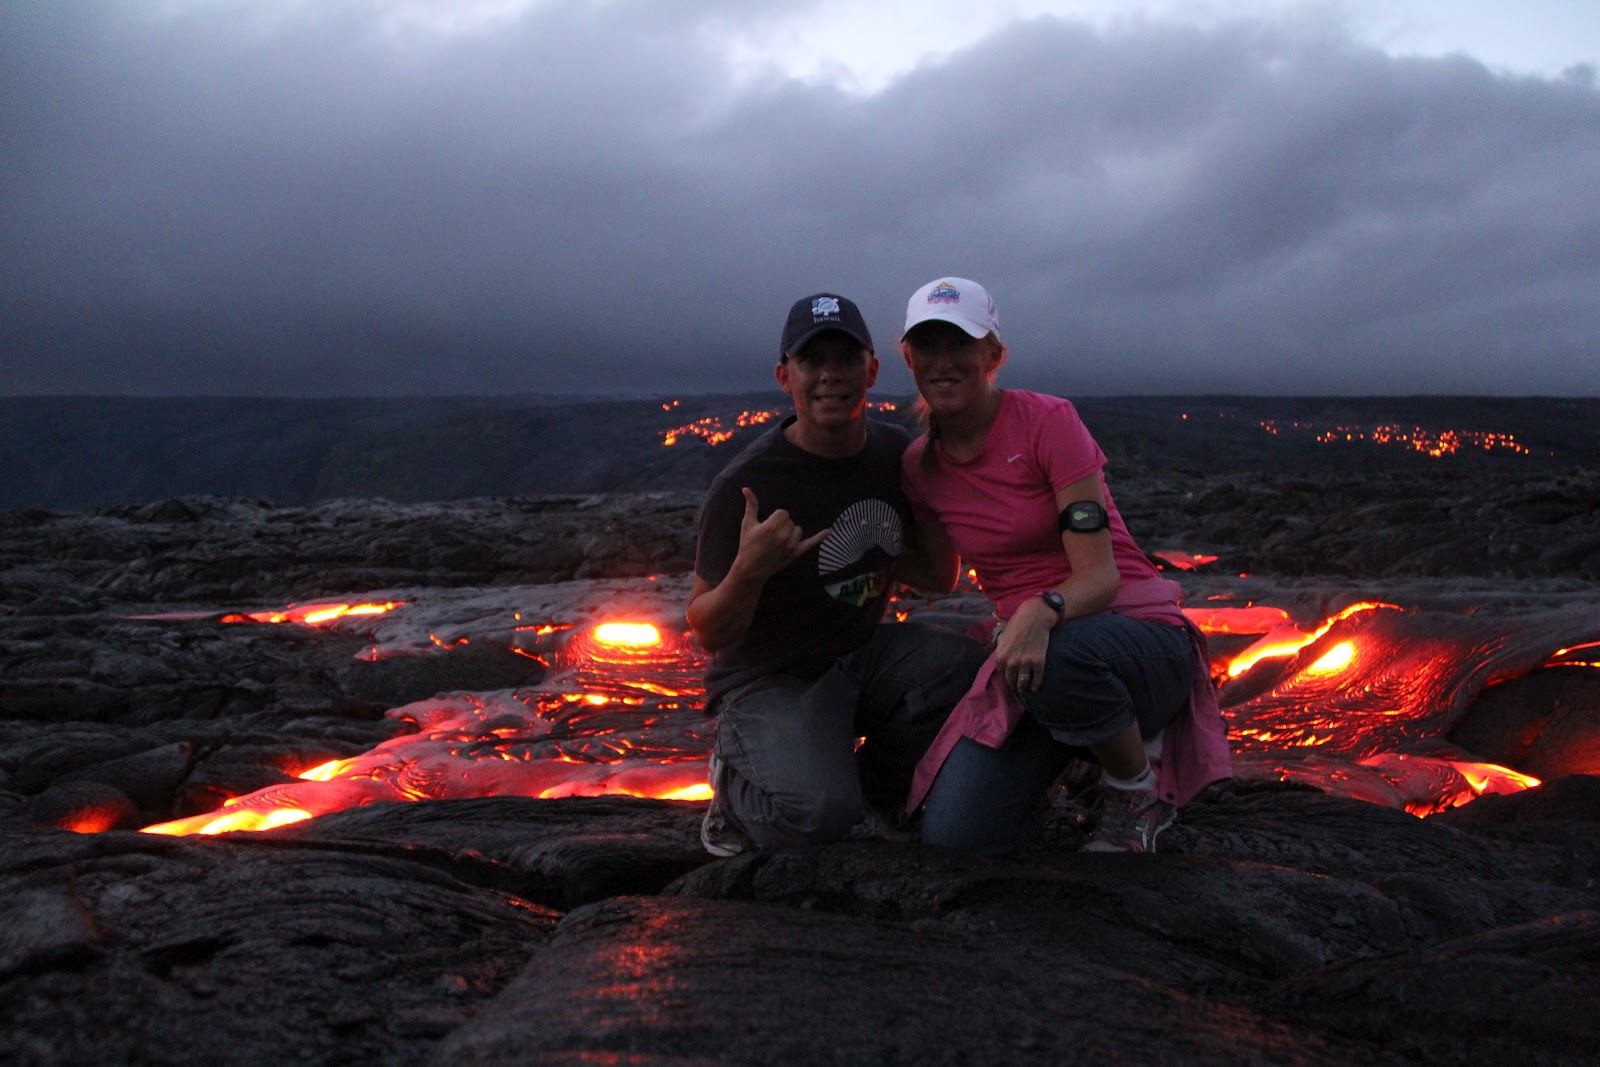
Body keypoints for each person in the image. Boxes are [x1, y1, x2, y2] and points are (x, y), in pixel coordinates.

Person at [896, 277, 1230, 855]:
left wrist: (1038, 610)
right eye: (928, 346)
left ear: (993, 355)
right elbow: (937, 576)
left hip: (1135, 644)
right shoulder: (920, 467)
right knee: (958, 838)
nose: (943, 362)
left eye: (961, 344)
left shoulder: (1047, 422)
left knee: (1057, 654)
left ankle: (1137, 789)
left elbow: (1101, 578)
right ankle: (1080, 763)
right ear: (907, 357)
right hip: (1036, 668)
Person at [688, 292, 987, 857]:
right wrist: (749, 572)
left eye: (846, 359)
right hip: (770, 678)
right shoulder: (748, 485)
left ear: (872, 370)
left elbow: (937, 578)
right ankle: (735, 791)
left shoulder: (896, 453)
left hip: (861, 655)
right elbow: (707, 629)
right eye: (812, 361)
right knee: (816, 819)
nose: (830, 376)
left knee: (970, 672)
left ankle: (876, 792)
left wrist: (938, 492)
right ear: (785, 376)